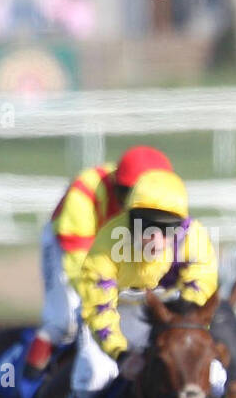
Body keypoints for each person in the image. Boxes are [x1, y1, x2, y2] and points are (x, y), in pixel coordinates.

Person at [43, 168, 221, 398]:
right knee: (93, 380)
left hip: (171, 319)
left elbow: (201, 285)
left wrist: (179, 323)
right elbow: (98, 306)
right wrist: (121, 354)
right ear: (130, 220)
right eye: (145, 226)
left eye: (164, 229)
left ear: (181, 227)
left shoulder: (196, 238)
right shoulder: (110, 240)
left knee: (216, 378)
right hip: (117, 316)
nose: (154, 236)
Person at [26, 146, 173, 381]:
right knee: (65, 322)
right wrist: (99, 297)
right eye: (127, 193)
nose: (132, 202)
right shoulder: (84, 193)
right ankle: (25, 393)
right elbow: (78, 264)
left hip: (107, 248)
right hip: (67, 244)